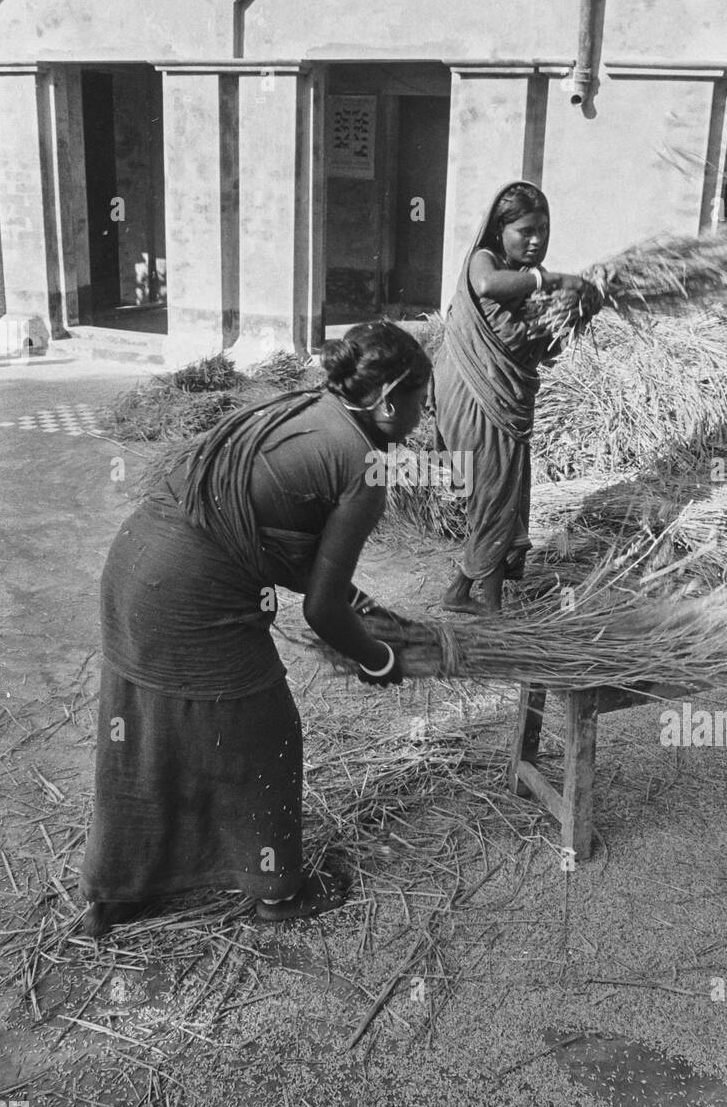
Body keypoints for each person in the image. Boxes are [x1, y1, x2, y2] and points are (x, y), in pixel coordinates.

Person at [81, 321, 431, 937]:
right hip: (190, 592)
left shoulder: (308, 407)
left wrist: (370, 614)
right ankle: (278, 892)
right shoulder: (367, 468)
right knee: (264, 728)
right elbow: (321, 611)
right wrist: (379, 659)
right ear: (390, 401)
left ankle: (121, 889)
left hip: (135, 565)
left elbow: (291, 554)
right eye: (421, 403)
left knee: (143, 724)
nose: (422, 418)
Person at [433, 181, 598, 614]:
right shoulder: (483, 261)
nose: (537, 240)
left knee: (504, 491)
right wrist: (556, 278)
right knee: (491, 489)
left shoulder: (531, 290)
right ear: (499, 230)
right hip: (471, 394)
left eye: (543, 230)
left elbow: (540, 352)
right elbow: (487, 286)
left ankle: (463, 594)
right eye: (525, 230)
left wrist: (579, 313)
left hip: (508, 400)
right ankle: (489, 604)